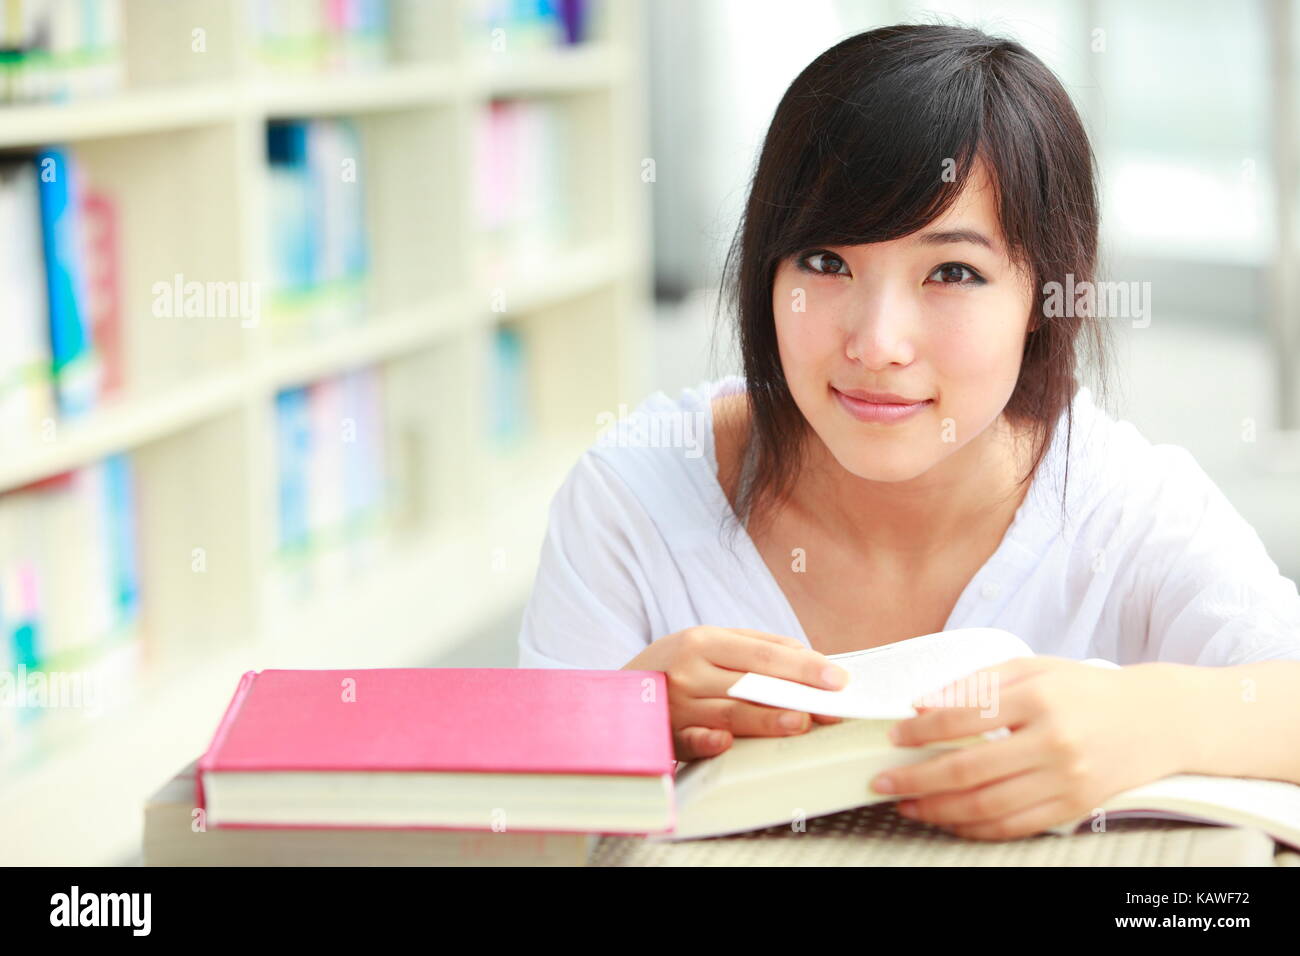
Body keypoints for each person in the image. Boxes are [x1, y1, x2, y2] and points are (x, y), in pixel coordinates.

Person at [518, 23, 1300, 841]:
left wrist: (1153, 719)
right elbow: (506, 828)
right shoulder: (632, 498)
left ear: (1044, 297)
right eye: (825, 262)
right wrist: (608, 725)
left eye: (952, 272)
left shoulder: (1126, 507)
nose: (875, 344)